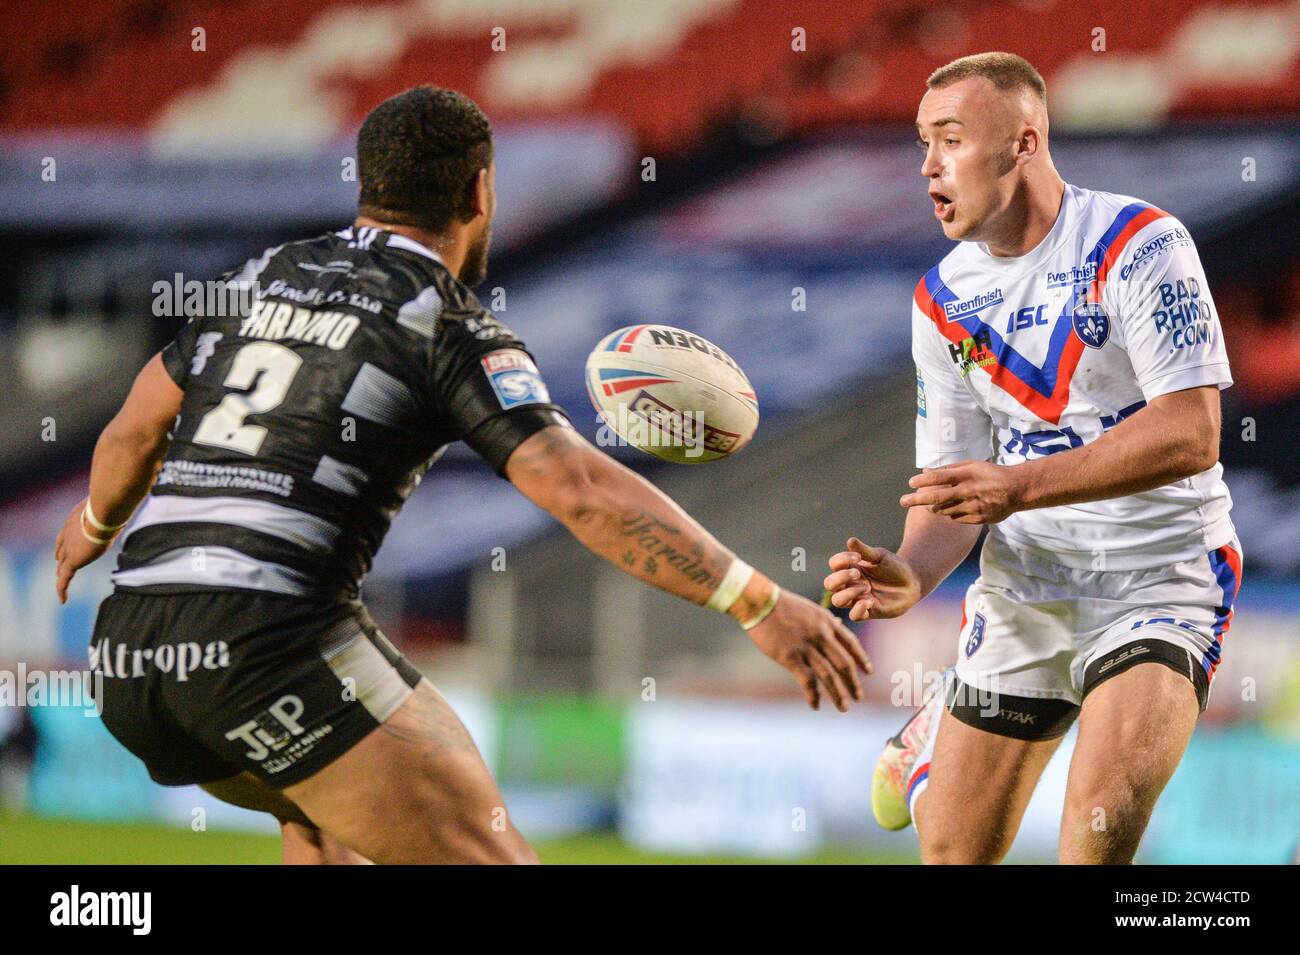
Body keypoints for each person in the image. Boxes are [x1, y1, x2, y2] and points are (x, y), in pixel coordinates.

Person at [55, 86, 870, 865]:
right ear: (480, 189)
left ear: (368, 185)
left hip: (130, 656)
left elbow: (134, 430)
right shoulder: (443, 321)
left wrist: (93, 524)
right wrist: (752, 599)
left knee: (314, 813)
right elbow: (579, 492)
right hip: (261, 644)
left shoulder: (260, 274)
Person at [824, 53, 1240, 864]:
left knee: (1097, 831)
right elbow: (953, 490)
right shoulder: (941, 300)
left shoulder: (1141, 246)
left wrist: (1015, 488)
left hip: (1159, 577)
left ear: (1024, 143)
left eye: (950, 139)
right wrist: (909, 572)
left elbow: (1191, 430)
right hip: (1029, 590)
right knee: (953, 854)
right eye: (922, 143)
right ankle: (936, 738)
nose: (928, 166)